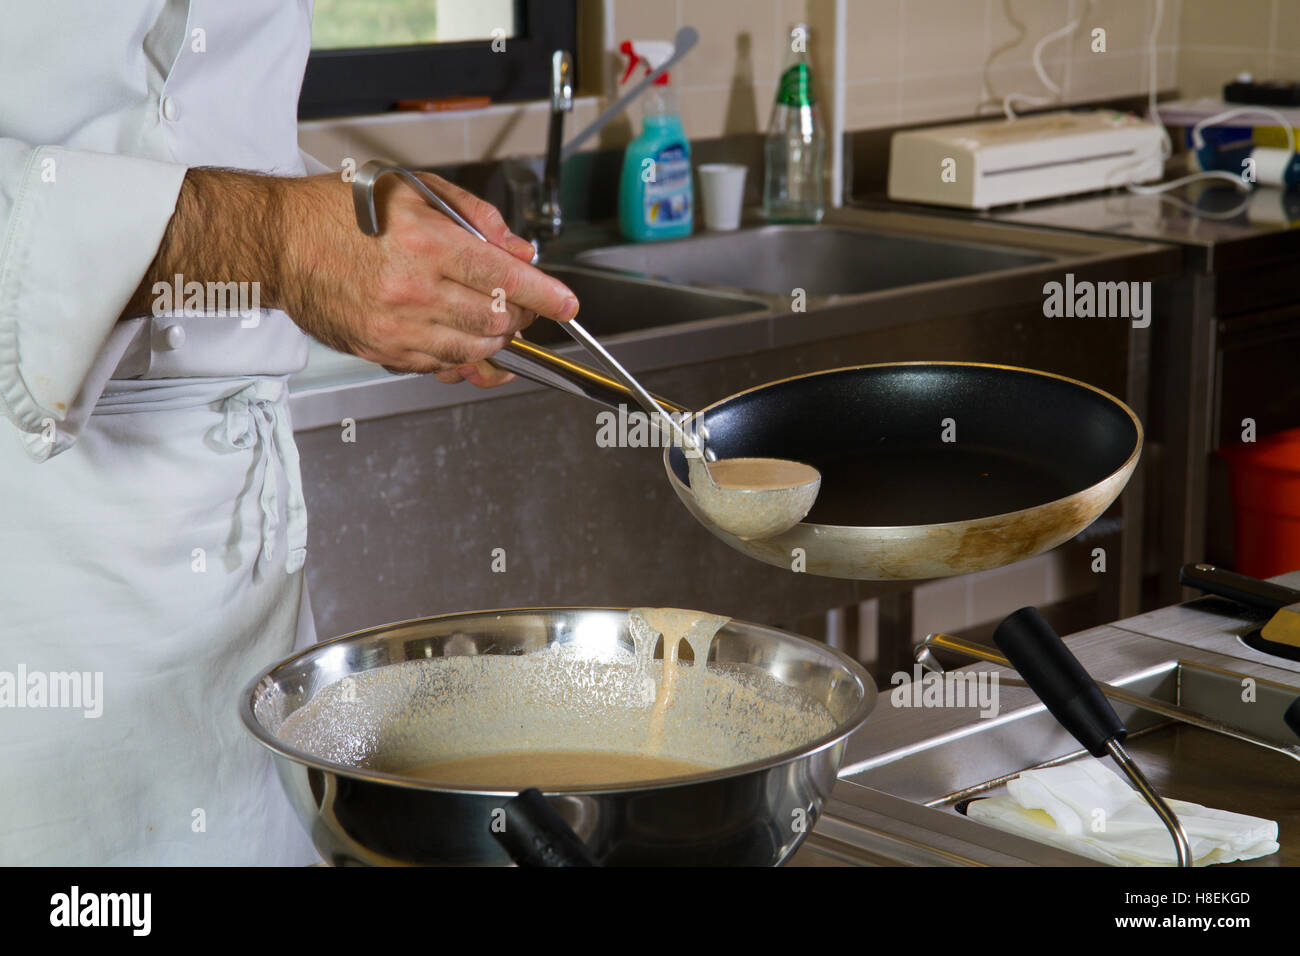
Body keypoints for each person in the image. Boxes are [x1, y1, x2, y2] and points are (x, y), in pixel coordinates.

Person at [0, 1, 577, 864]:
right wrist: (284, 242)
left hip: (236, 574)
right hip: (38, 561)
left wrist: (355, 226)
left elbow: (179, 131)